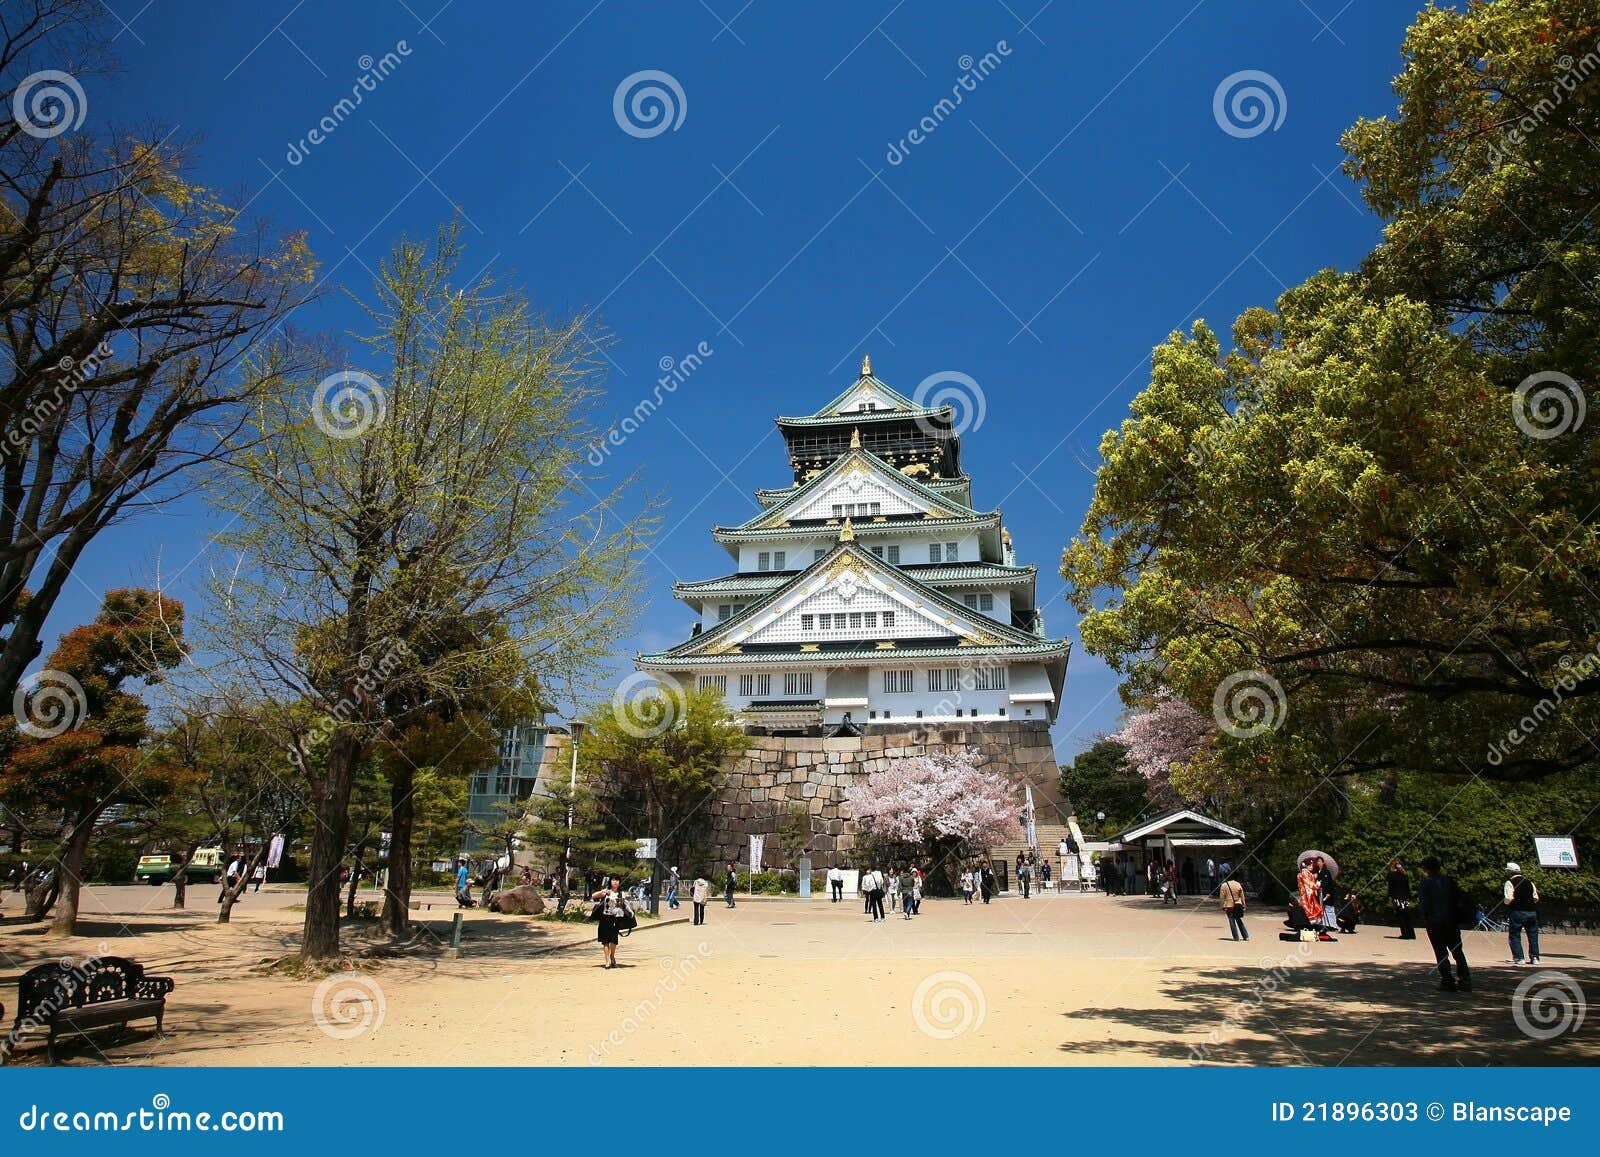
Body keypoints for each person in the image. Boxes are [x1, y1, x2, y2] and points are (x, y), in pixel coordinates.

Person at [1418, 855, 1470, 992]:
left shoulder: (1426, 883)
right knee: (1457, 951)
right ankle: (1465, 980)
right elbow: (1459, 898)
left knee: (1440, 952)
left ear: (1426, 869)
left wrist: (1425, 918)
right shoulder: (1449, 881)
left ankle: (1447, 980)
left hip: (1435, 922)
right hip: (1451, 921)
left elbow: (1424, 905)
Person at [1503, 862, 1541, 964]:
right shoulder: (1529, 882)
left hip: (1517, 911)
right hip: (1532, 912)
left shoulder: (1509, 882)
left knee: (1514, 934)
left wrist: (1506, 903)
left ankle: (1519, 957)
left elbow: (1508, 898)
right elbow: (1535, 898)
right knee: (1533, 935)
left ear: (1510, 872)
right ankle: (1535, 958)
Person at [591, 876, 632, 969]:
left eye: (617, 880)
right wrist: (603, 891)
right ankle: (607, 961)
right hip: (605, 918)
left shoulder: (622, 893)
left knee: (613, 940)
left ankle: (612, 956)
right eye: (613, 880)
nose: (615, 882)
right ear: (610, 882)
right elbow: (593, 896)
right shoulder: (606, 892)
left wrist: (624, 903)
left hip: (616, 918)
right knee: (605, 941)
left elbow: (628, 905)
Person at [1296, 859, 1328, 940]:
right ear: (1306, 865)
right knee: (1309, 910)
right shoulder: (1304, 873)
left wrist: (1315, 879)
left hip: (1310, 894)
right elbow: (1309, 884)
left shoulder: (1308, 873)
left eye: (1312, 865)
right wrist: (1317, 885)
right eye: (1309, 865)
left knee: (1314, 909)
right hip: (1307, 895)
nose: (1311, 867)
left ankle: (1311, 928)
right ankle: (1307, 927)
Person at [1387, 859, 1416, 939]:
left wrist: (1390, 897)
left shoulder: (1392, 875)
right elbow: (1407, 888)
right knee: (1407, 916)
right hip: (1405, 898)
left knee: (1401, 916)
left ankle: (1405, 934)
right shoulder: (1404, 875)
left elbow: (1390, 887)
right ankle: (1411, 934)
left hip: (1397, 898)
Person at [1219, 871, 1248, 941]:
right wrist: (1244, 905)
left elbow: (1222, 897)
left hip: (1228, 905)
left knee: (1231, 921)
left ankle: (1236, 937)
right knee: (1238, 919)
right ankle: (1245, 935)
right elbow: (1242, 896)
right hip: (1238, 904)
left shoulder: (1224, 885)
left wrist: (1222, 905)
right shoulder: (1238, 884)